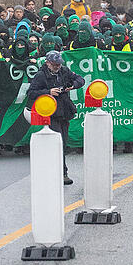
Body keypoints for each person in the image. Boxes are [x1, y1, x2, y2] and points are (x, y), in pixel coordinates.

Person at [27, 51, 84, 185]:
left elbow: (80, 80)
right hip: (51, 113)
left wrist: (73, 86)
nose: (57, 66)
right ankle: (59, 173)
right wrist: (48, 92)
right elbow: (31, 93)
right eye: (54, 64)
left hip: (64, 111)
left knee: (63, 143)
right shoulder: (41, 75)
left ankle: (60, 172)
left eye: (59, 64)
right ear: (47, 63)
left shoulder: (64, 71)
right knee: (56, 144)